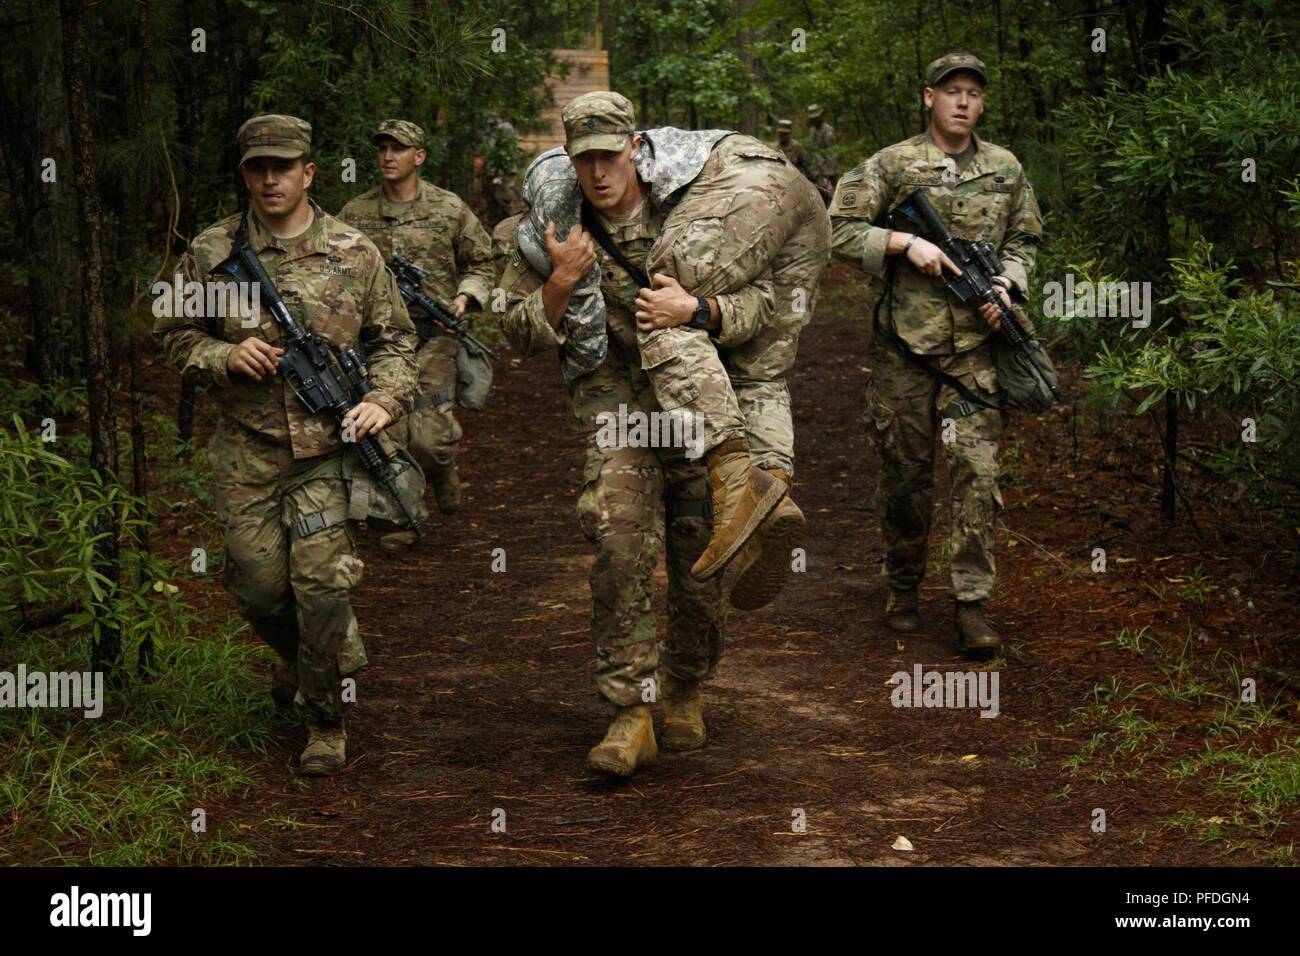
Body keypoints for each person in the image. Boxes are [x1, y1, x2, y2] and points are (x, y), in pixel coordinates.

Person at [154, 114, 418, 773]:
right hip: (245, 450)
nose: (270, 179)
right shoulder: (211, 251)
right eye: (256, 168)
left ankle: (325, 723)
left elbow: (395, 342)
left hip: (327, 451)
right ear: (244, 173)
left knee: (323, 587)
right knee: (257, 589)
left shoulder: (356, 252)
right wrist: (219, 352)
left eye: (283, 167)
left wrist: (382, 401)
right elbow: (169, 332)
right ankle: (310, 661)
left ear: (309, 172)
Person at [828, 53, 1043, 657]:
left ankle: (971, 603)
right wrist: (902, 243)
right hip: (904, 352)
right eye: (952, 91)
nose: (963, 102)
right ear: (929, 97)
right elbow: (835, 229)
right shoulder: (892, 164)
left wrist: (1009, 282)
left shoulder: (1005, 168)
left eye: (974, 93)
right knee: (906, 479)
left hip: (976, 351)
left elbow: (1026, 239)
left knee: (977, 474)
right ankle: (902, 586)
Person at [339, 119, 495, 550]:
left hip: (434, 339)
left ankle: (441, 468)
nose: (388, 157)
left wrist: (466, 296)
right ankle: (399, 519)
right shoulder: (354, 215)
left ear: (419, 157)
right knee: (386, 428)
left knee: (430, 440)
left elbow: (483, 260)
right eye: (383, 148)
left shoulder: (449, 209)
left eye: (399, 149)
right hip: (377, 343)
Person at [806, 103, 838, 203]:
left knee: (828, 199)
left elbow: (832, 154)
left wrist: (828, 176)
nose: (814, 120)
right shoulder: (813, 131)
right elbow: (811, 150)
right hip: (815, 171)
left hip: (827, 173)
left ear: (821, 116)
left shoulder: (828, 131)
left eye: (816, 118)